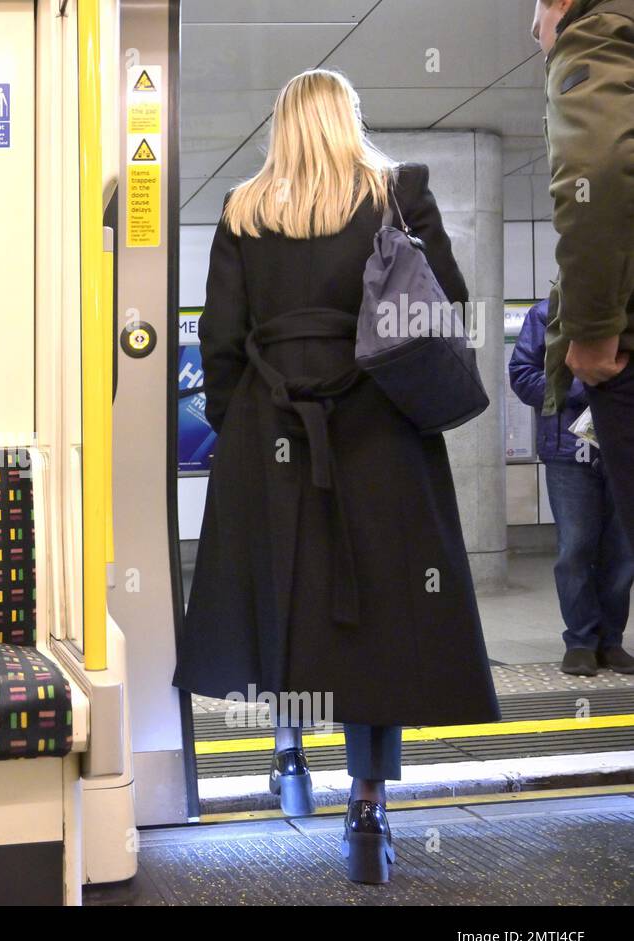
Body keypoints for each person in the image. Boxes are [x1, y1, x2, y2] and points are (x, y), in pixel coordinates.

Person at [172, 69, 500, 885]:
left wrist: (244, 423)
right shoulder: (397, 193)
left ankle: (288, 756)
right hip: (376, 435)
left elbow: (219, 338)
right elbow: (442, 303)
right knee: (374, 620)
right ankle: (366, 806)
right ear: (348, 119)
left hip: (268, 431)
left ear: (280, 126)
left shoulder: (245, 211)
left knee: (286, 601)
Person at [532, 0, 634, 544]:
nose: (537, 35)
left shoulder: (597, 34)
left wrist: (593, 332)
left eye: (539, 25)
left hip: (622, 357)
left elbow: (594, 173)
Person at [510, 298, 634, 675]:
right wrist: (587, 385)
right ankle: (580, 640)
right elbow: (521, 375)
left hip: (623, 448)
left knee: (622, 551)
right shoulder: (546, 313)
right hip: (567, 451)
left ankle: (610, 641)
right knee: (575, 548)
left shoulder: (626, 316)